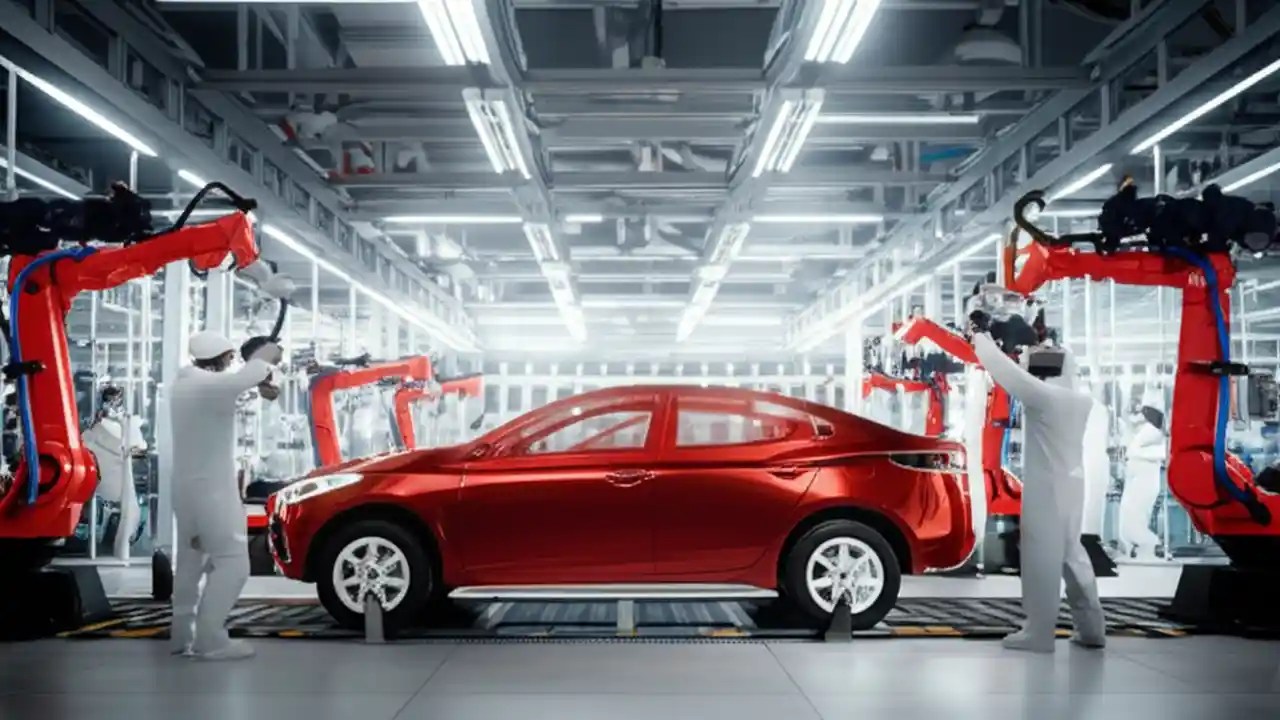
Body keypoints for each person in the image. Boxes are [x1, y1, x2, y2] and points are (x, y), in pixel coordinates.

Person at [970, 318, 1106, 653]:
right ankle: (1092, 629)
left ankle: (1038, 633)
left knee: (1040, 558)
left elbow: (1005, 372)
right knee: (1073, 555)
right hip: (1073, 484)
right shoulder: (1079, 400)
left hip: (1046, 489)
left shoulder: (1047, 399)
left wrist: (980, 336)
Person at [169, 330, 283, 661]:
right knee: (234, 565)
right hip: (213, 492)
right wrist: (266, 356)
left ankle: (181, 637)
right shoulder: (211, 386)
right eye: (231, 358)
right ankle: (210, 639)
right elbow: (248, 375)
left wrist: (263, 383)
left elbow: (240, 387)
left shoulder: (184, 385)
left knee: (191, 563)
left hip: (185, 491)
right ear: (225, 358)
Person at [83, 386, 148, 560]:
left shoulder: (95, 432)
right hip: (117, 488)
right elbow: (140, 450)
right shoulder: (129, 429)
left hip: (101, 488)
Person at [1120, 395, 1167, 560]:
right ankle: (1149, 547)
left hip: (1143, 482)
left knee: (1133, 521)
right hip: (1140, 481)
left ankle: (1153, 545)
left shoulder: (1150, 433)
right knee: (1132, 519)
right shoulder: (1147, 434)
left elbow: (1133, 451)